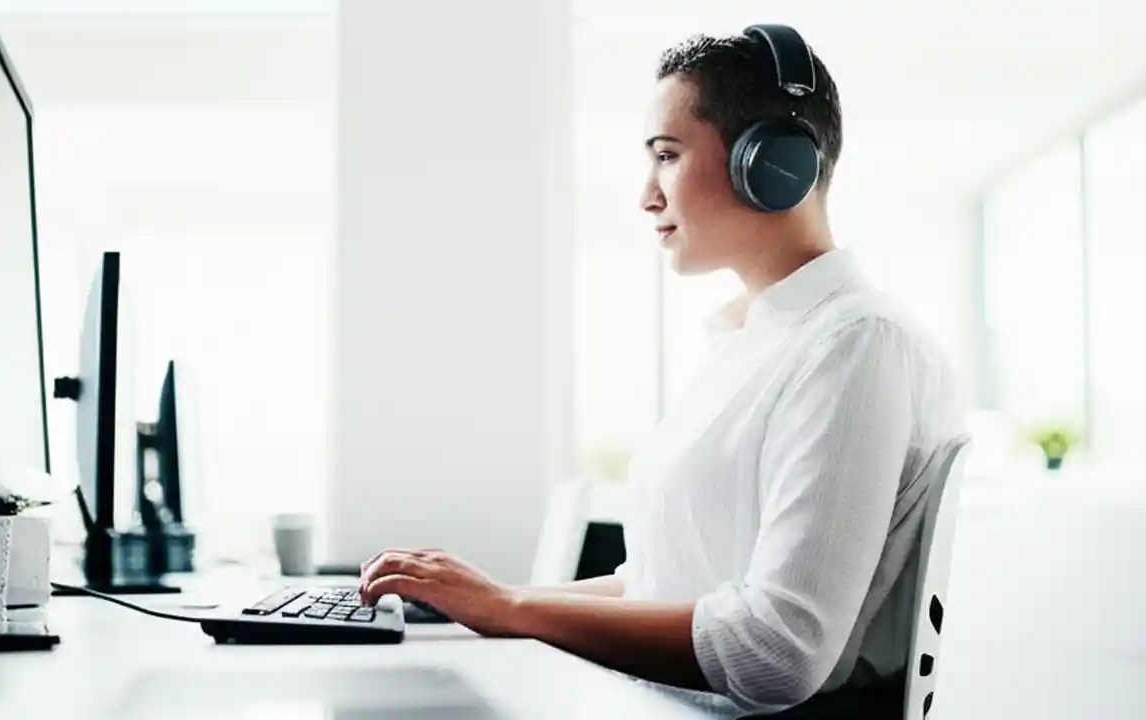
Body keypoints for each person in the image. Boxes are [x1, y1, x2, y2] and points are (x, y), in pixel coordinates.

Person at [358, 26, 964, 716]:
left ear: (773, 167)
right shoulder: (757, 343)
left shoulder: (857, 344)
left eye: (668, 156)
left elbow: (777, 651)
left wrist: (513, 608)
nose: (647, 194)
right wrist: (475, 601)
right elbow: (661, 586)